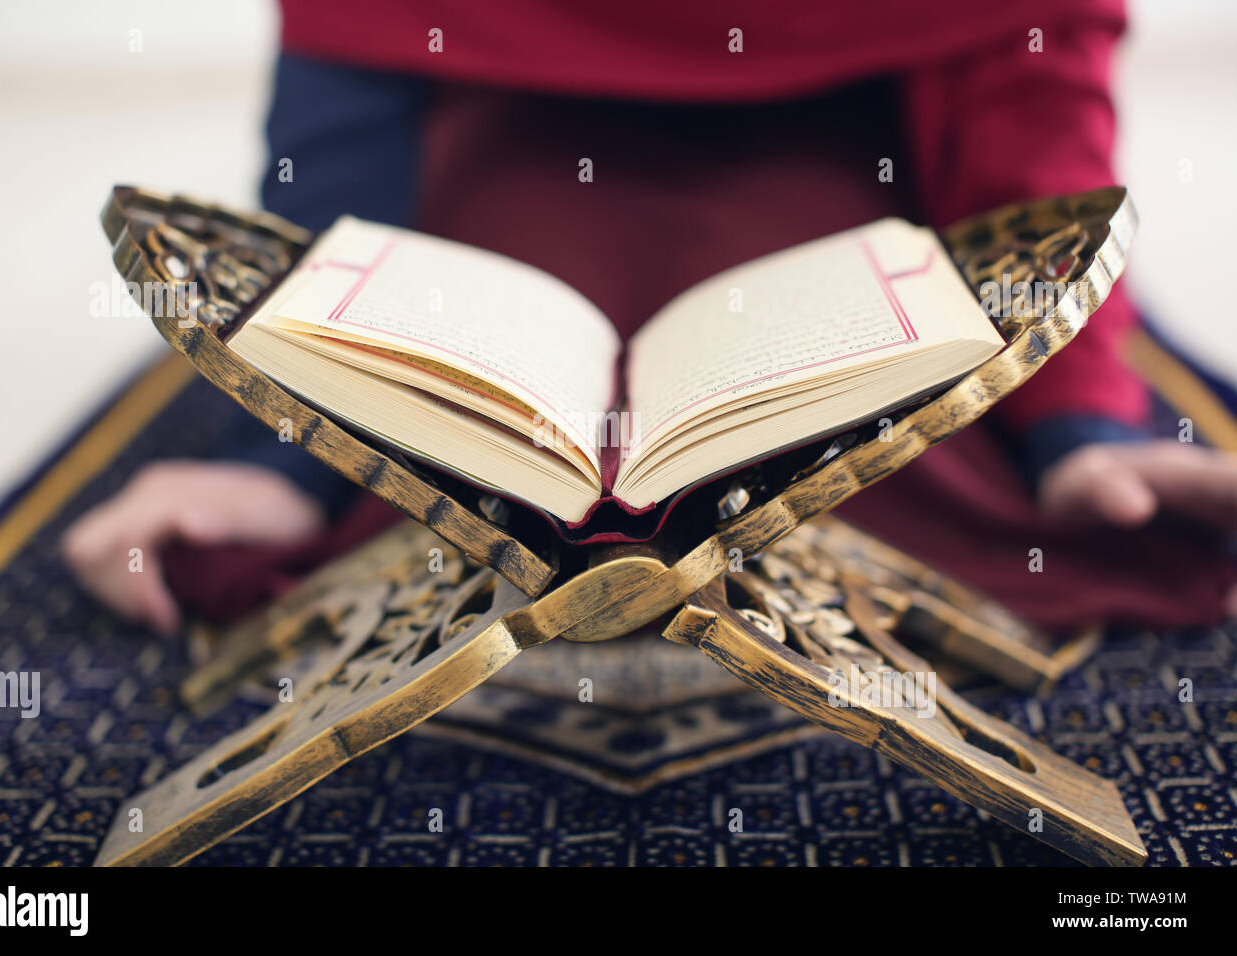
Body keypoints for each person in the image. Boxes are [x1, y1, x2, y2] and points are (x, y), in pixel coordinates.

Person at [64, 0, 1237, 635]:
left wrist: (1075, 424)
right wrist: (288, 448)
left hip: (844, 138)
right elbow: (356, 71)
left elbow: (1026, 70)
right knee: (486, 410)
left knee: (859, 395)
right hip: (516, 125)